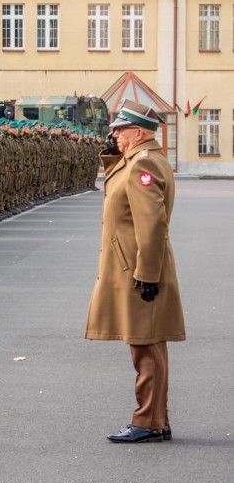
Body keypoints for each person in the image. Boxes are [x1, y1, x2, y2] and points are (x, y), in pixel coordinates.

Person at [85, 100, 185, 443]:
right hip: (135, 267)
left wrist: (147, 274)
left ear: (138, 132)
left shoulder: (144, 165)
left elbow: (151, 225)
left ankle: (148, 422)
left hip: (139, 271)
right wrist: (113, 154)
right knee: (146, 346)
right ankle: (155, 418)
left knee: (147, 347)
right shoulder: (135, 161)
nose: (114, 134)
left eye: (120, 130)